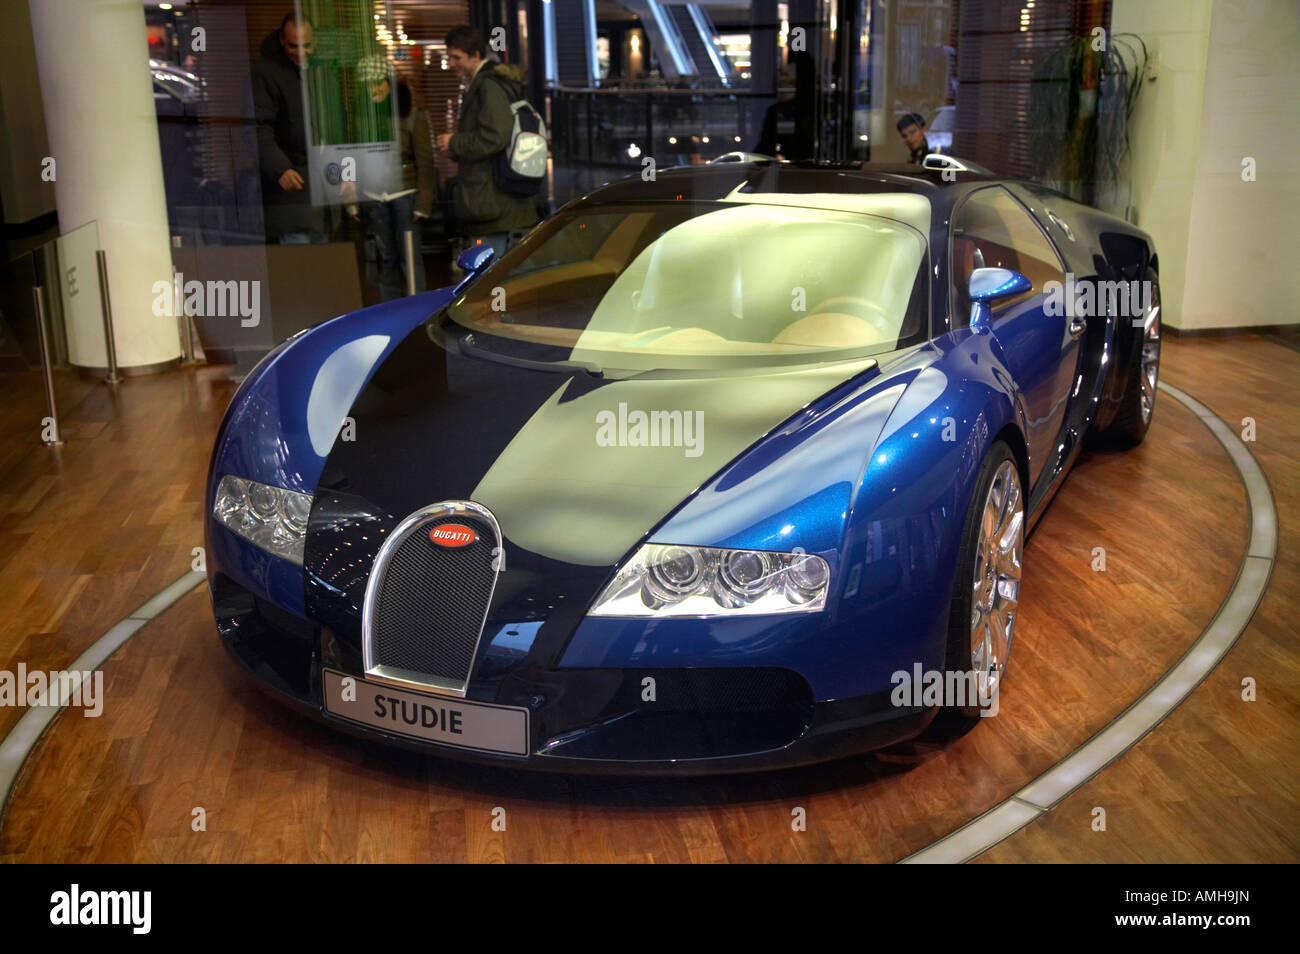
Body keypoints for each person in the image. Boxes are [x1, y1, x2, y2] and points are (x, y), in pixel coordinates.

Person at [434, 25, 538, 260]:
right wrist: (456, 147)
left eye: (456, 57)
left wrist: (455, 142)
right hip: (501, 194)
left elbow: (495, 136)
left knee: (487, 273)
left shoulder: (488, 85)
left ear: (476, 55)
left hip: (492, 198)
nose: (451, 63)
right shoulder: (492, 82)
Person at [251, 13, 347, 243]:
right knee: (300, 266)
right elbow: (257, 129)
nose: (301, 52)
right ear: (283, 40)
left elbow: (337, 131)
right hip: (292, 191)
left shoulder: (323, 74)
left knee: (322, 265)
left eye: (307, 46)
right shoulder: (265, 74)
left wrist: (346, 173)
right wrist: (281, 169)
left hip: (324, 190)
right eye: (294, 45)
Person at [348, 59, 437, 299]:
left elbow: (425, 162)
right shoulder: (358, 117)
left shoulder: (411, 115)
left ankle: (418, 311)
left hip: (405, 195)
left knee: (410, 257)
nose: (373, 90)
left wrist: (423, 203)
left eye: (379, 83)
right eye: (367, 85)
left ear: (390, 85)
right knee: (385, 258)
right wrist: (350, 198)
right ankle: (391, 312)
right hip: (373, 195)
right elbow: (349, 158)